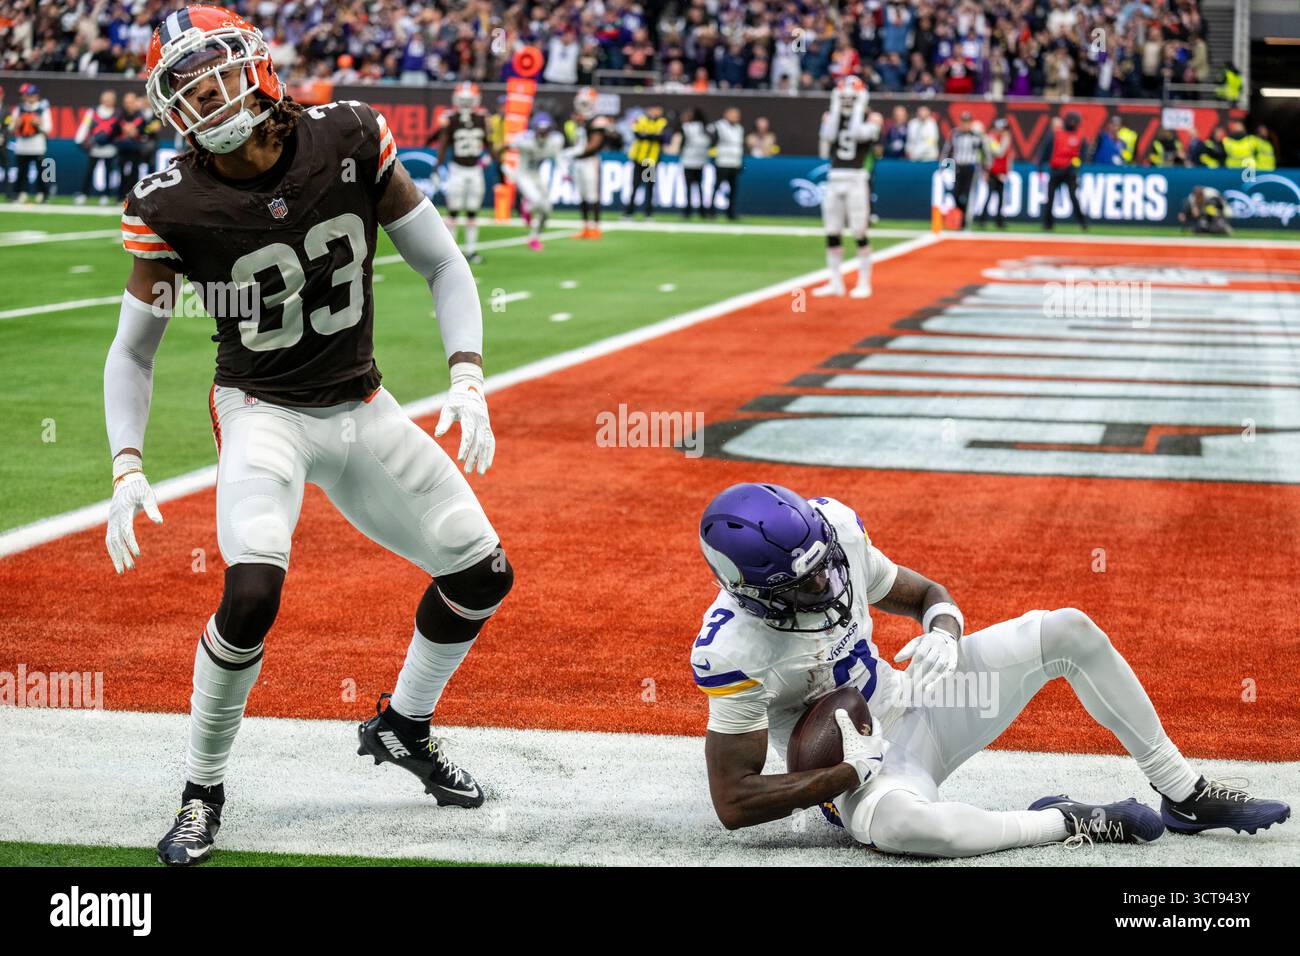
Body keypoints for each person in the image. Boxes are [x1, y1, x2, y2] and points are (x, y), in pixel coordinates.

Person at [105, 6, 512, 866]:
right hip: (263, 410)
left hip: (361, 405)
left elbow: (441, 261)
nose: (198, 96)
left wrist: (468, 373)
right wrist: (125, 464)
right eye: (179, 84)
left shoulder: (350, 137)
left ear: (255, 66)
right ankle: (201, 790)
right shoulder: (172, 200)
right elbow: (134, 351)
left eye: (208, 72)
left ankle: (404, 724)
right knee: (251, 593)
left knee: (482, 573)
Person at [693, 483, 1290, 857]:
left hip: (920, 699)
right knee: (914, 829)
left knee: (1068, 628)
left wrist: (943, 633)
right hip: (861, 775)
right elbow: (735, 802)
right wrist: (847, 772)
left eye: (823, 563)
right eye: (803, 583)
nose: (825, 581)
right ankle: (1070, 821)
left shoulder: (836, 531)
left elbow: (925, 592)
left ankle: (1184, 792)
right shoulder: (735, 649)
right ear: (750, 592)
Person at [815, 76, 878, 300]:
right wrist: (835, 105)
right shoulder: (832, 116)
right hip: (835, 176)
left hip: (856, 177)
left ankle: (864, 282)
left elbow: (857, 134)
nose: (848, 101)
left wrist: (859, 106)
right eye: (845, 96)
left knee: (859, 230)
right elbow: (828, 135)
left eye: (853, 96)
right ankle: (835, 281)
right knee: (832, 230)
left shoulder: (871, 117)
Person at [427, 82, 493, 263]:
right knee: (454, 211)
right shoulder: (451, 119)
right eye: (463, 100)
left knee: (472, 211)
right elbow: (441, 143)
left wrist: (490, 158)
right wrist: (437, 166)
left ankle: (471, 250)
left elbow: (490, 143)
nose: (465, 104)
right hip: (457, 169)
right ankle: (451, 252)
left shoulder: (482, 119)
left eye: (468, 100)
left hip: (475, 170)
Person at [511, 112, 567, 250]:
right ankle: (527, 207)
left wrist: (565, 173)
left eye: (545, 131)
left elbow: (559, 157)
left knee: (547, 210)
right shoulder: (525, 140)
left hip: (536, 176)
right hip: (523, 175)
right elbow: (511, 145)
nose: (542, 134)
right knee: (536, 201)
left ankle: (534, 237)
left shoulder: (554, 141)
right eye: (540, 131)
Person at [569, 86, 609, 239]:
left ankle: (596, 227)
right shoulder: (577, 119)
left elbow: (595, 143)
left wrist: (577, 151)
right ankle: (585, 226)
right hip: (578, 162)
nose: (583, 106)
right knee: (583, 195)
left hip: (590, 160)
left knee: (593, 195)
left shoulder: (597, 119)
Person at [1039, 111, 1088, 231]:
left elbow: (1082, 156)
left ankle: (1083, 223)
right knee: (1050, 198)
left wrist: (1074, 167)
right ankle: (1047, 224)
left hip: (1069, 173)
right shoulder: (1055, 135)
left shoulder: (1080, 137)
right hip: (1055, 171)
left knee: (1073, 197)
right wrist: (1040, 167)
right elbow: (1045, 151)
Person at [7, 82, 52, 203]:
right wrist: (16, 124)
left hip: (37, 145)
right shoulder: (19, 108)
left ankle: (42, 194)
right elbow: (11, 128)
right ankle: (20, 193)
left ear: (37, 96)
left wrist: (39, 124)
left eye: (31, 95)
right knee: (22, 172)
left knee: (42, 172)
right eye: (27, 95)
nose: (29, 98)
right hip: (22, 145)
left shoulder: (43, 109)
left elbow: (48, 128)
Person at [941, 111, 987, 229]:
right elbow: (947, 152)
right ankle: (961, 216)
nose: (965, 125)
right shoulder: (955, 134)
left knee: (967, 195)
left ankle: (965, 222)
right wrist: (945, 168)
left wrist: (985, 169)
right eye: (963, 122)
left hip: (971, 167)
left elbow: (984, 153)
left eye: (967, 122)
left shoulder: (976, 136)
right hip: (957, 167)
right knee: (955, 194)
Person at [623, 104, 667, 219]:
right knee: (635, 186)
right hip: (638, 158)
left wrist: (647, 134)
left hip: (650, 160)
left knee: (649, 187)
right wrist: (652, 135)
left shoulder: (661, 122)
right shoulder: (641, 120)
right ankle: (629, 212)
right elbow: (638, 135)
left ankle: (648, 213)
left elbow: (661, 138)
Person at [116, 91, 162, 196]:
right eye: (145, 99)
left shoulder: (155, 113)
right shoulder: (138, 113)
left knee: (150, 167)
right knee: (133, 167)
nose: (146, 102)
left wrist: (143, 129)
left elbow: (154, 128)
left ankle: (151, 192)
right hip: (137, 144)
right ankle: (129, 192)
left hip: (150, 144)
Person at [677, 107, 714, 220]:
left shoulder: (688, 127)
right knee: (698, 186)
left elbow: (682, 143)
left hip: (689, 160)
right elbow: (712, 141)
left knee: (690, 187)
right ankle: (701, 211)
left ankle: (689, 211)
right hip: (699, 160)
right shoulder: (707, 127)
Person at [976, 117, 1012, 229]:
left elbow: (1006, 157)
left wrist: (1005, 171)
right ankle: (982, 219)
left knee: (1000, 198)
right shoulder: (991, 138)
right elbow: (998, 153)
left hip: (1000, 172)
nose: (1006, 131)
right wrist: (987, 171)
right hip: (993, 171)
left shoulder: (1000, 138)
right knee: (990, 196)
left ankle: (999, 221)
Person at [712, 106, 744, 220]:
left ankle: (730, 213)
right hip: (722, 161)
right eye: (733, 115)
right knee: (717, 187)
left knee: (733, 189)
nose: (736, 117)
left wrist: (740, 161)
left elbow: (739, 146)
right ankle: (711, 211)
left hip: (734, 162)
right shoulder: (719, 126)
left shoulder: (739, 128)